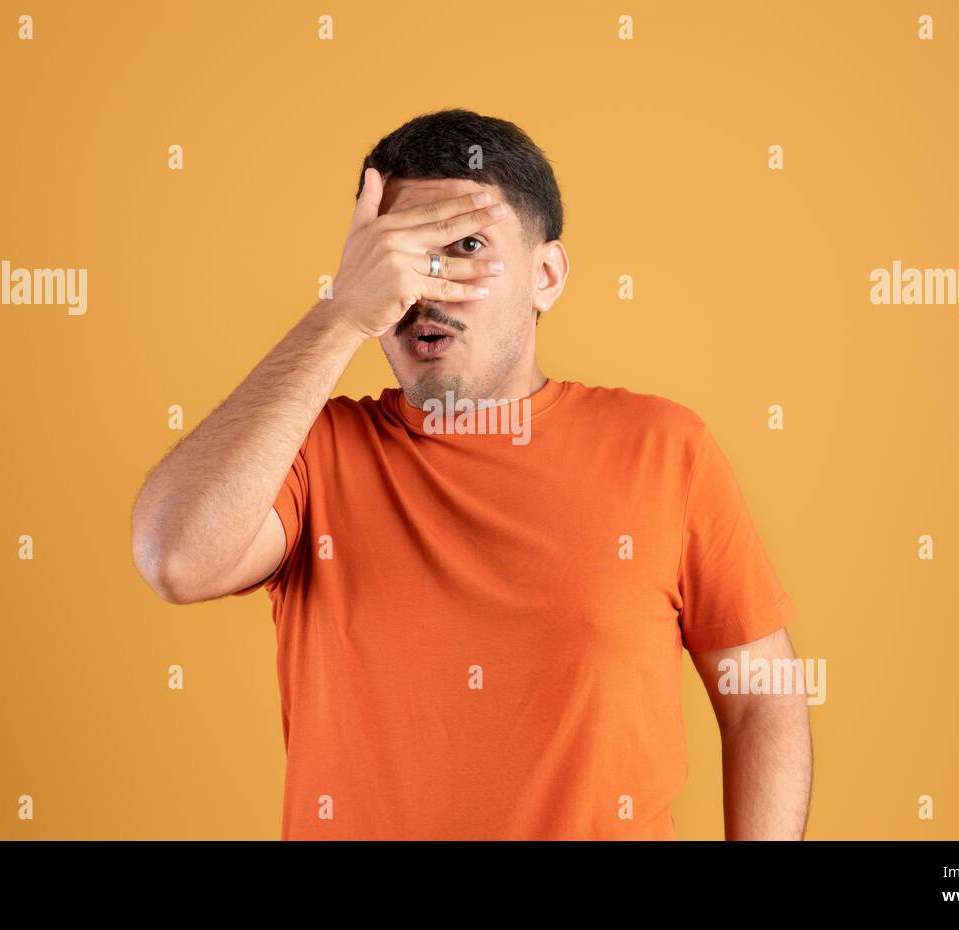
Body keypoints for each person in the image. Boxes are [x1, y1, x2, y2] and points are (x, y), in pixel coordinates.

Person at [132, 108, 811, 840]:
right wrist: (339, 318)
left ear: (545, 276)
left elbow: (760, 702)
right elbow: (176, 557)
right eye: (393, 257)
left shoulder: (662, 448)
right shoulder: (314, 454)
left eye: (465, 248)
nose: (424, 290)